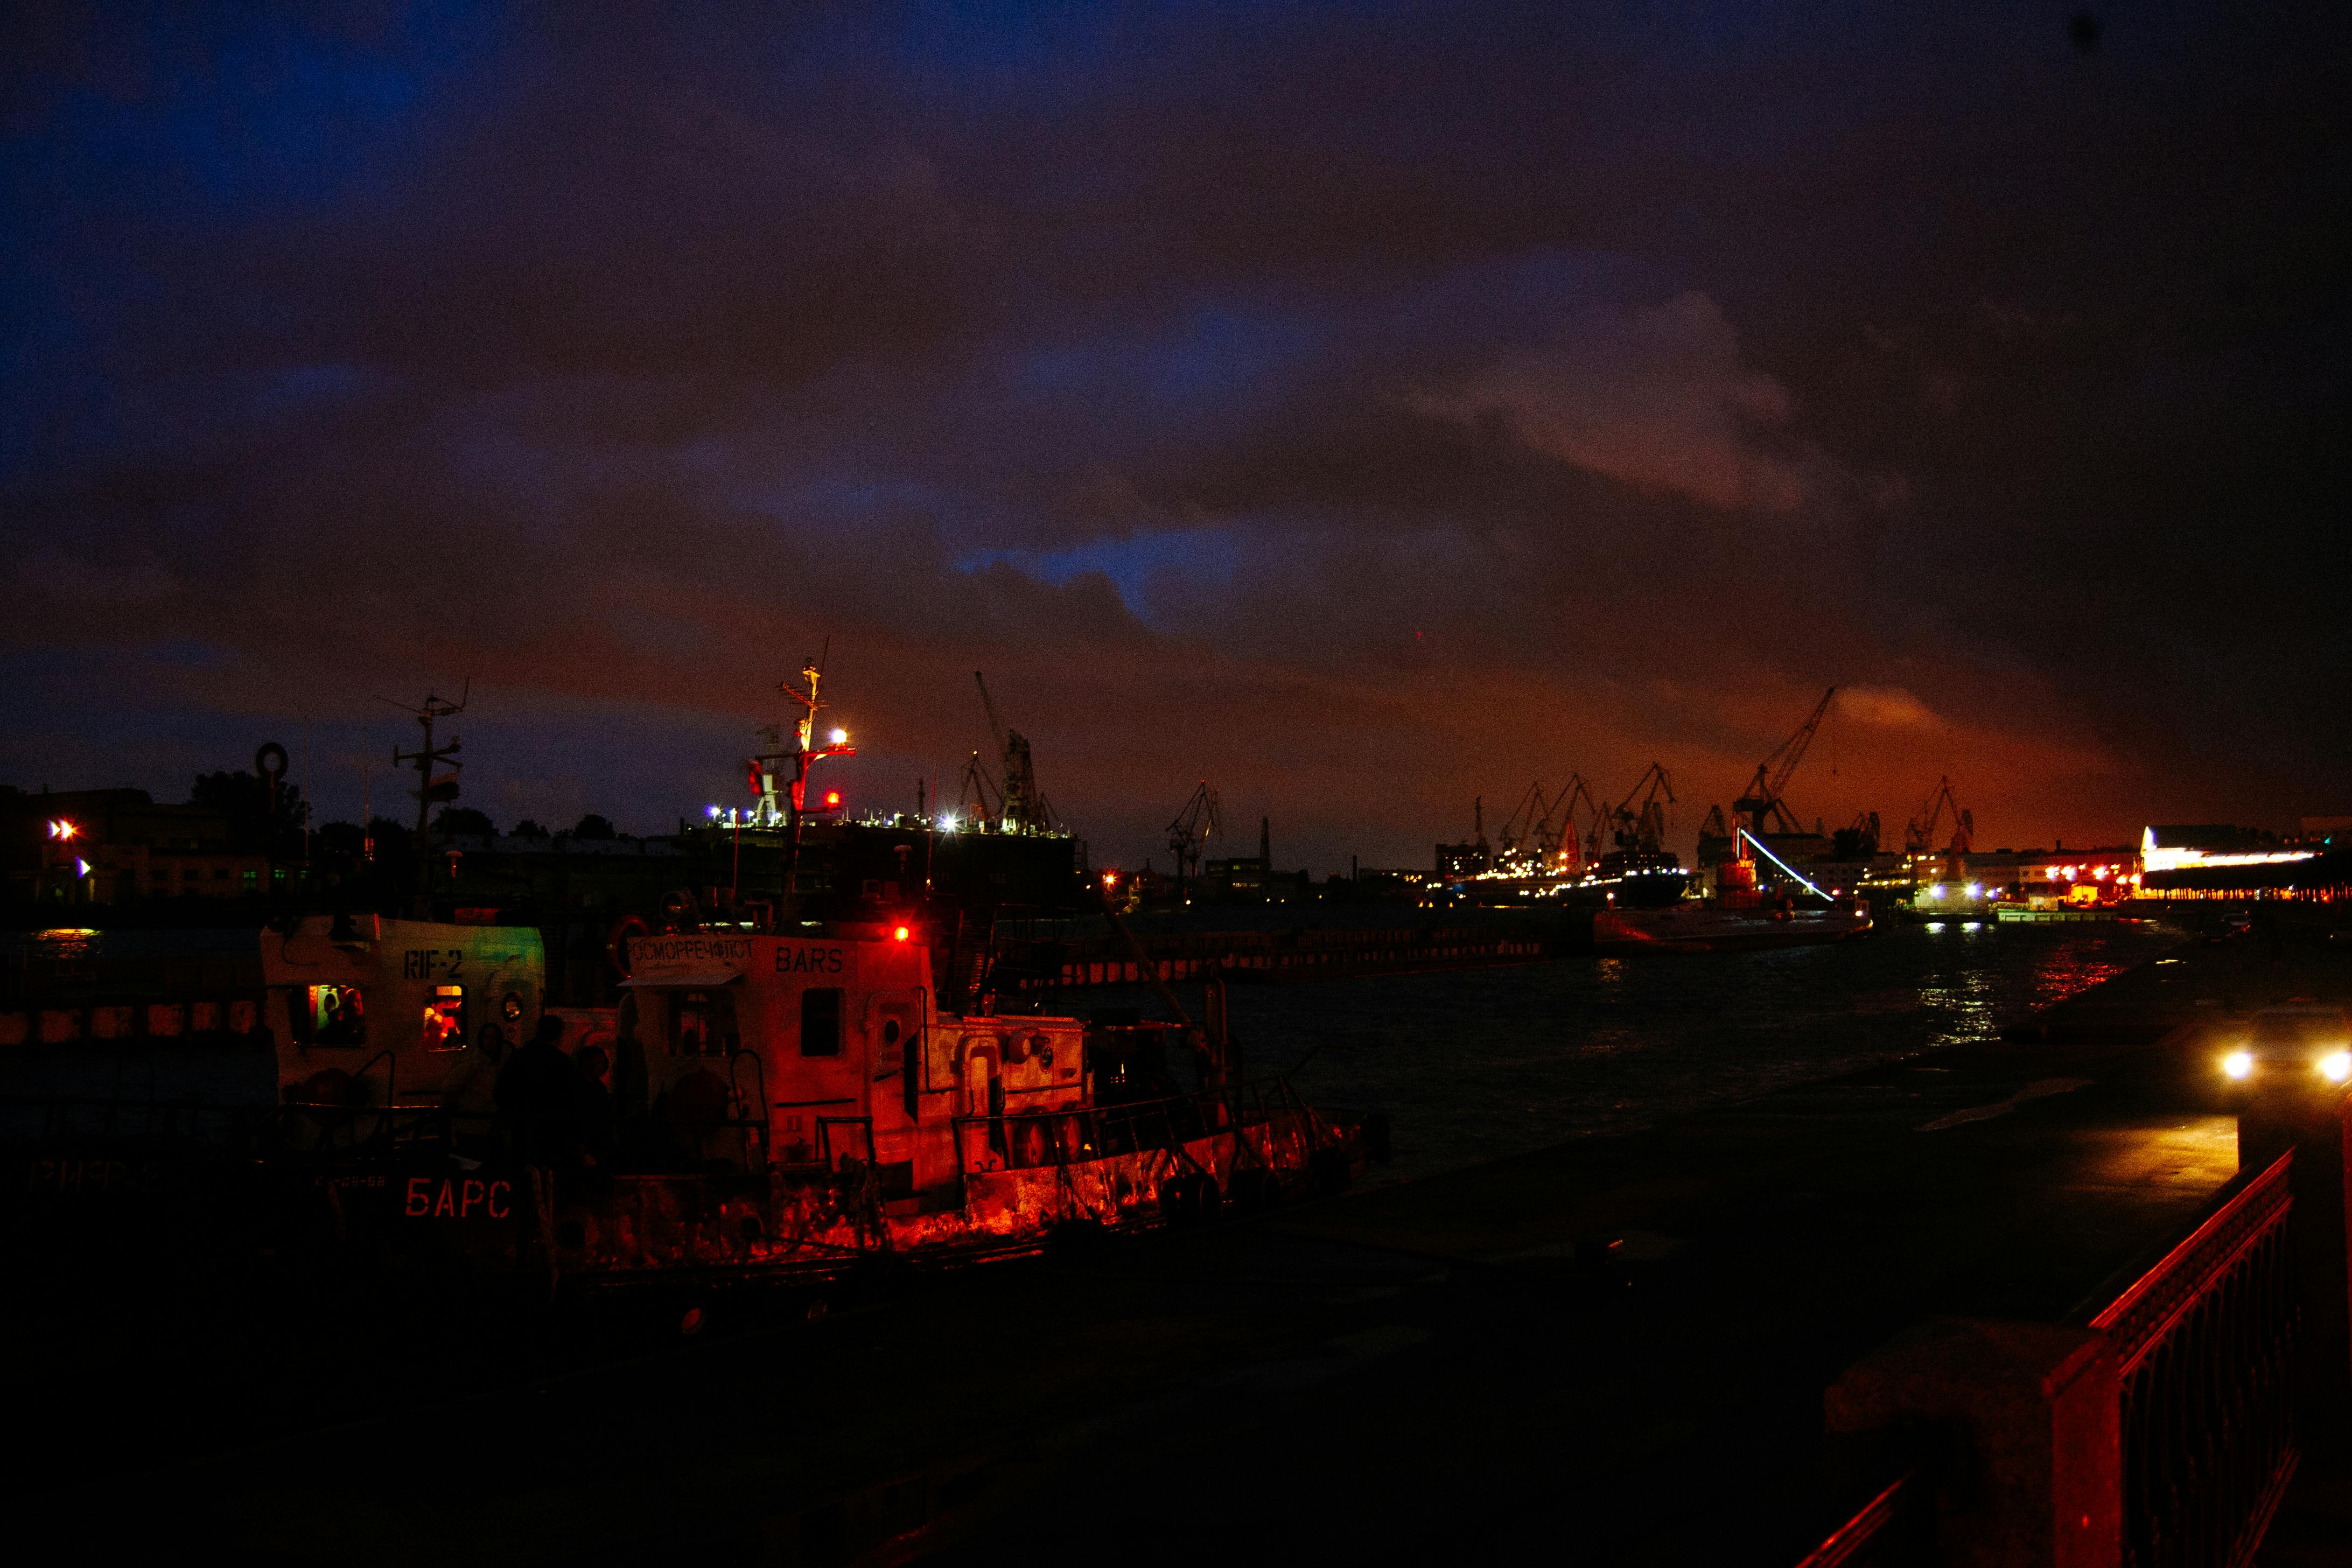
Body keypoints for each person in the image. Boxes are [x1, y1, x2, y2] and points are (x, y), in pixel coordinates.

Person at [495, 1014, 580, 1168]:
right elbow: (572, 1099)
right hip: (553, 1131)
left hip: (521, 1127)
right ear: (559, 1034)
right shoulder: (562, 1063)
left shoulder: (519, 1058)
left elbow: (501, 1090)